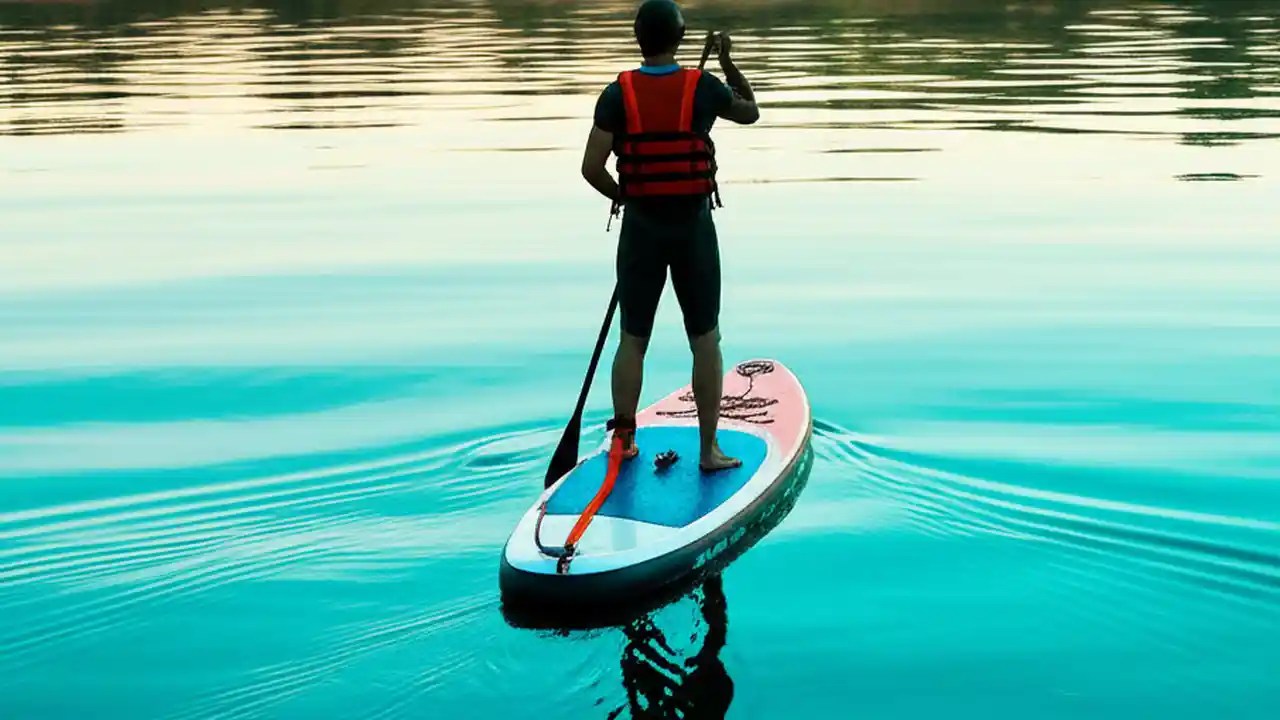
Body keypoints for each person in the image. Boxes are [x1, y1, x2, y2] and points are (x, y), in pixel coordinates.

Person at [580, 0, 759, 472]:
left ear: (639, 39)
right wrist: (726, 62)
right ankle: (709, 451)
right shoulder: (703, 88)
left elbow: (590, 168)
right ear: (680, 40)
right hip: (692, 230)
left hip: (640, 229)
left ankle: (624, 441)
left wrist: (625, 194)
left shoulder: (616, 94)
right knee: (706, 340)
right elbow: (750, 112)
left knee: (632, 339)